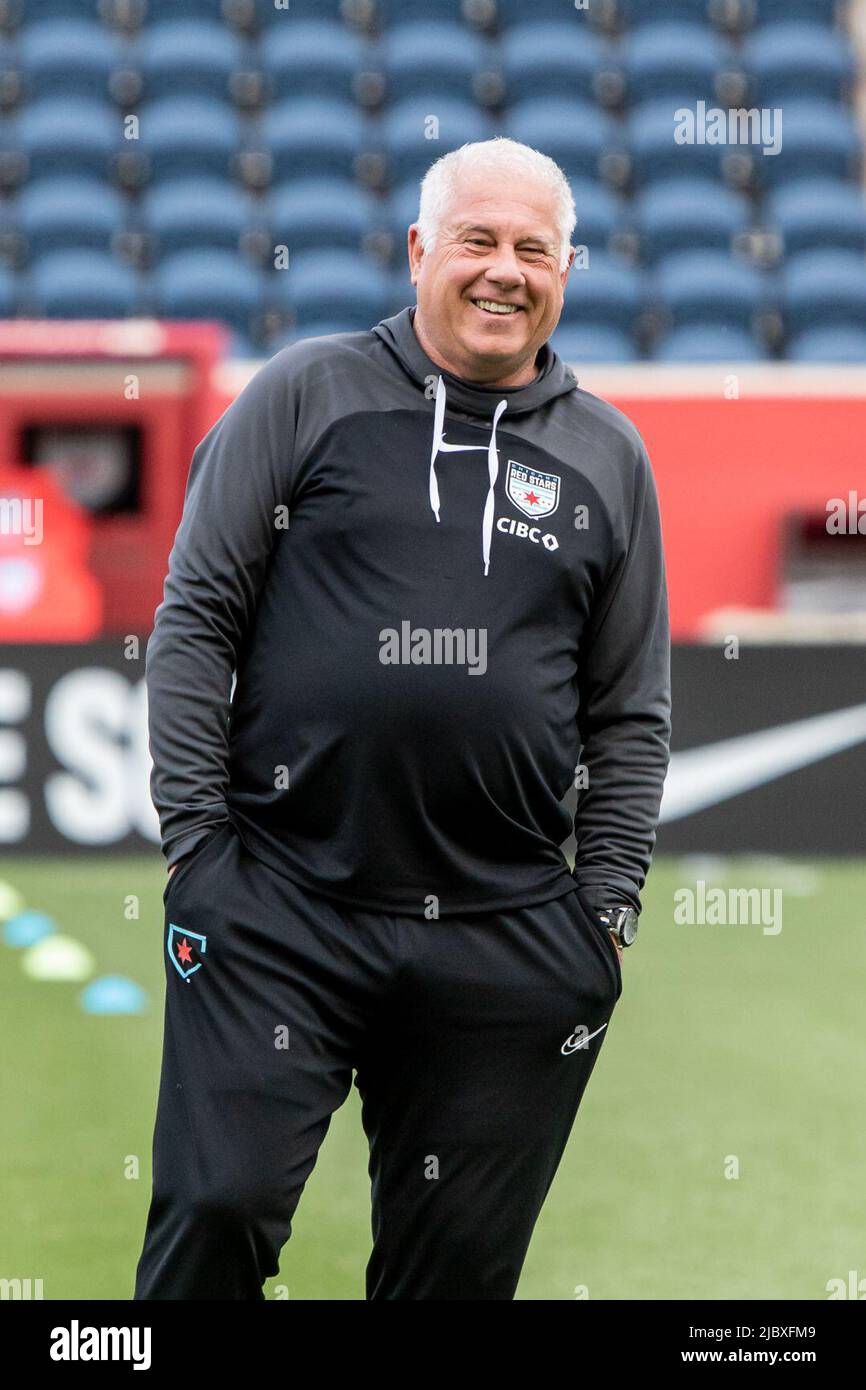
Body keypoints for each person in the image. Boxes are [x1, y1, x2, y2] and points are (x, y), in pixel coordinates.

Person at [134, 137, 671, 1301]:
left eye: (533, 248)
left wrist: (605, 915)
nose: (503, 270)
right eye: (476, 239)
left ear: (565, 270)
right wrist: (197, 851)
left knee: (456, 1278)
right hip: (280, 909)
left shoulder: (607, 457)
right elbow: (193, 628)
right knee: (214, 1214)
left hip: (508, 936)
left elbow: (628, 713)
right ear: (419, 249)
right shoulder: (303, 395)